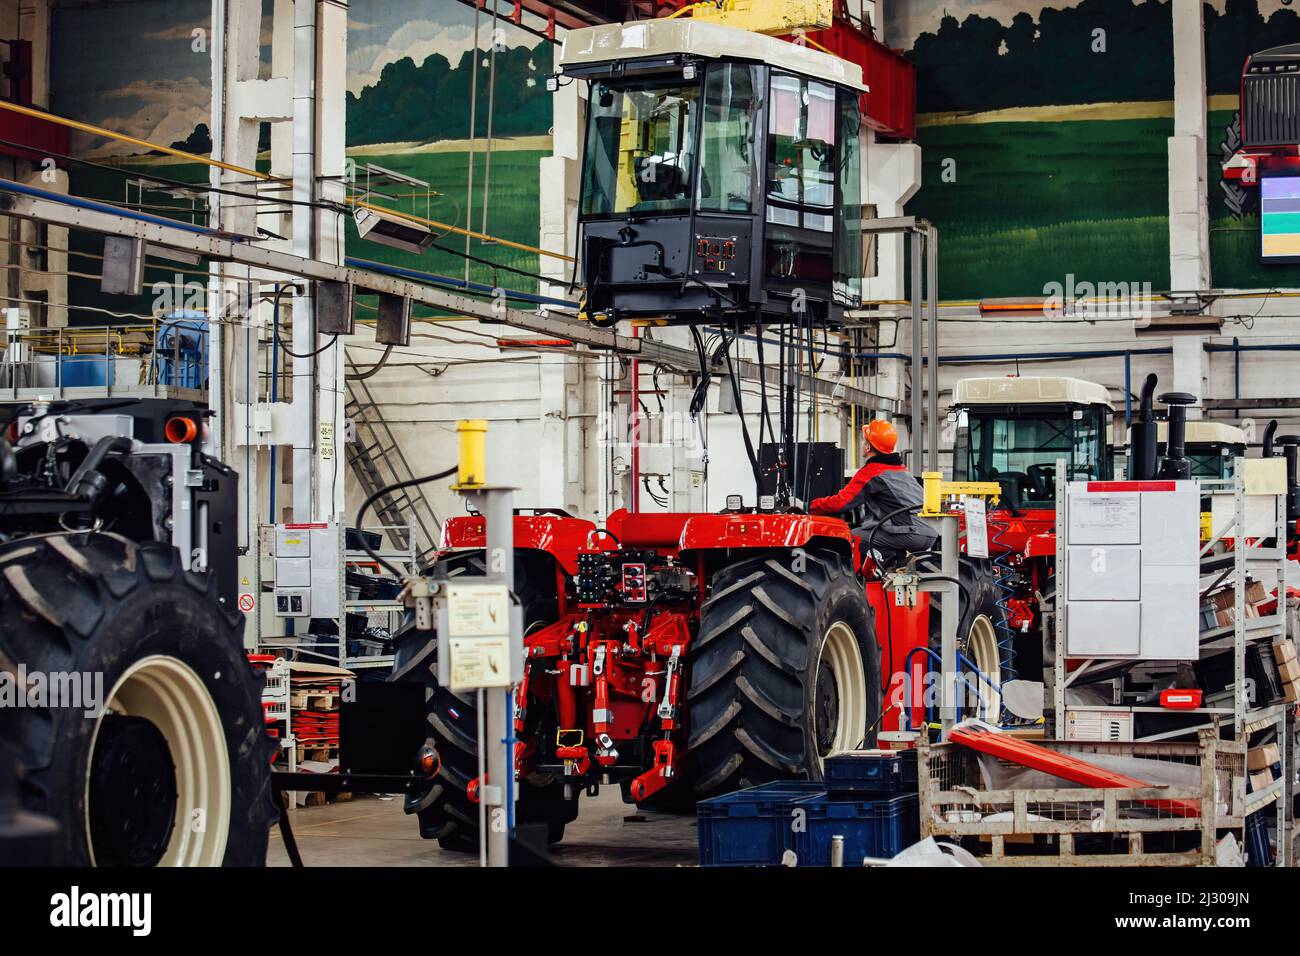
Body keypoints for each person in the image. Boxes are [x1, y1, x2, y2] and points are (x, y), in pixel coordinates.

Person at [808, 419, 938, 566]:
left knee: (851, 537)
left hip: (910, 534)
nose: (862, 444)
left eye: (864, 441)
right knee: (874, 534)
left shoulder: (872, 472)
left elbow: (841, 503)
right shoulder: (902, 470)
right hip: (929, 534)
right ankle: (895, 564)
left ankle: (865, 580)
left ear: (868, 447)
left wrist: (810, 506)